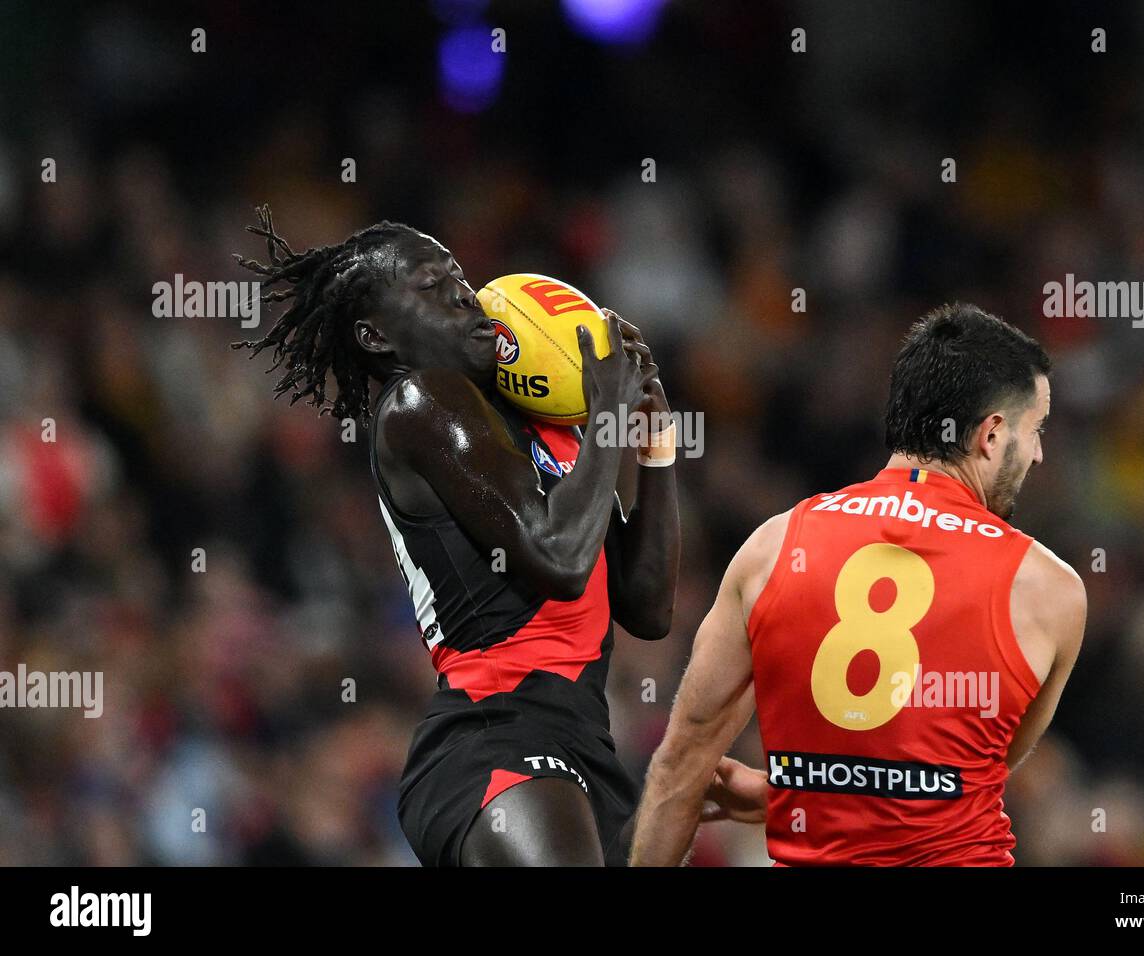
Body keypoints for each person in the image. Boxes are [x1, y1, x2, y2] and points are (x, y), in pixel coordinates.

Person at [233, 206, 680, 866]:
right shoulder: (420, 402)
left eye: (459, 274)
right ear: (377, 334)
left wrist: (654, 443)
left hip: (583, 741)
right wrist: (606, 407)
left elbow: (648, 607)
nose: (461, 292)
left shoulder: (541, 431)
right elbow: (556, 558)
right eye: (429, 283)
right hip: (497, 735)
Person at [630, 303, 1085, 866]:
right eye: (1034, 429)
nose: (1039, 452)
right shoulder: (1048, 590)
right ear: (991, 435)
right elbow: (965, 771)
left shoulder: (772, 549)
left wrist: (787, 796)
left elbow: (680, 765)